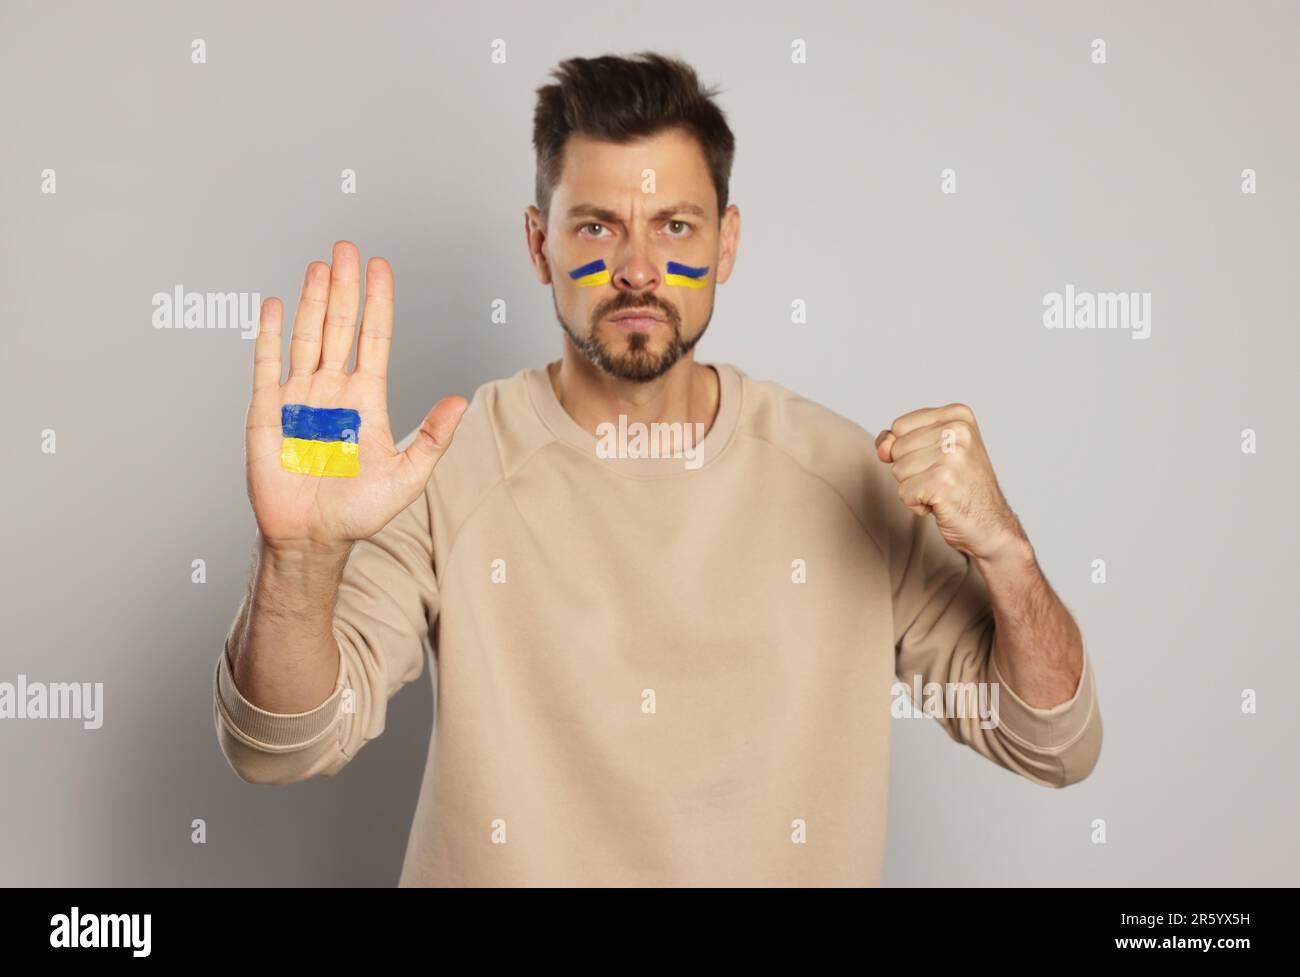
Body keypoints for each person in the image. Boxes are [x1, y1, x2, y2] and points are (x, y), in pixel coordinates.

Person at [214, 51, 1101, 886]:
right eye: (597, 226)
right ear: (538, 245)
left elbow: (1054, 743)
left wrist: (1007, 554)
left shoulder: (846, 475)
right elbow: (280, 746)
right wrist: (299, 558)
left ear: (725, 243)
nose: (638, 270)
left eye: (674, 226)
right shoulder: (448, 466)